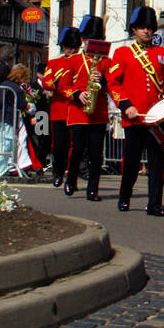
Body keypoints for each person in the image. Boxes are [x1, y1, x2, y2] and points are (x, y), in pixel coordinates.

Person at [106, 7, 164, 216]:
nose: (146, 32)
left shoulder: (163, 53)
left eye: (149, 28)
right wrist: (126, 106)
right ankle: (125, 196)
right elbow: (114, 84)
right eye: (142, 28)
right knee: (132, 161)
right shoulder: (123, 53)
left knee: (156, 161)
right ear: (134, 30)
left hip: (156, 118)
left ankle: (155, 204)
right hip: (134, 116)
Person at [63, 17, 112, 199]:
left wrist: (104, 80)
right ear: (83, 40)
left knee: (96, 153)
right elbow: (63, 86)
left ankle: (93, 189)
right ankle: (71, 179)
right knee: (77, 150)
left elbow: (114, 84)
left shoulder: (106, 61)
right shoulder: (74, 60)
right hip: (78, 112)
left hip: (98, 112)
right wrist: (77, 94)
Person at [42, 28, 81, 187]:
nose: (71, 50)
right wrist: (60, 85)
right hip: (59, 110)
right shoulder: (54, 63)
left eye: (74, 47)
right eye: (68, 47)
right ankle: (57, 172)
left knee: (76, 147)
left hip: (76, 110)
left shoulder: (82, 62)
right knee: (59, 145)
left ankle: (72, 177)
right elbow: (46, 82)